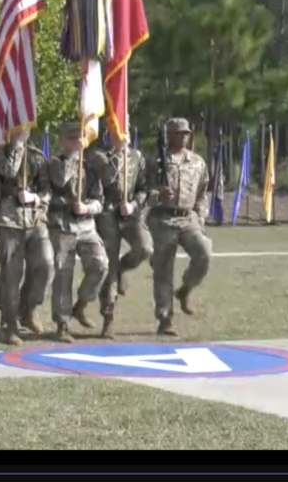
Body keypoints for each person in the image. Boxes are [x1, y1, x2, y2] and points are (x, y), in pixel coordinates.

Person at [0, 126, 54, 346]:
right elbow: (8, 172)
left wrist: (35, 198)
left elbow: (47, 190)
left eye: (25, 129)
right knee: (11, 275)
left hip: (35, 219)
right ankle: (9, 324)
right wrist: (16, 147)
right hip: (9, 220)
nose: (22, 131)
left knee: (45, 264)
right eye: (18, 128)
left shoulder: (37, 156)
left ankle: (29, 308)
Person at [147, 117, 211, 336]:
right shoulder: (155, 161)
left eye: (186, 133)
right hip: (162, 219)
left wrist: (200, 217)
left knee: (204, 252)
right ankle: (165, 318)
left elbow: (202, 193)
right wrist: (158, 196)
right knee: (163, 270)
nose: (184, 136)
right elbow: (143, 192)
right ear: (169, 135)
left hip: (188, 218)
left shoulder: (197, 162)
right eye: (179, 133)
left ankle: (186, 289)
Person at [46, 122, 109, 343]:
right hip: (62, 225)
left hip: (86, 225)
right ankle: (62, 324)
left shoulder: (90, 168)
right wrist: (74, 156)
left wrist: (88, 208)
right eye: (71, 138)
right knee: (64, 274)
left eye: (79, 138)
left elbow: (99, 200)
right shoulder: (54, 163)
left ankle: (81, 305)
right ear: (62, 141)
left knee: (100, 265)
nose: (76, 142)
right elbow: (61, 179)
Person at [89, 129, 153, 339]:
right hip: (107, 214)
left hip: (131, 215)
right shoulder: (99, 155)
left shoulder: (137, 157)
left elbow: (143, 188)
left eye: (125, 130)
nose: (123, 134)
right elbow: (107, 179)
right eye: (118, 130)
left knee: (145, 247)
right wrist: (118, 153)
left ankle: (123, 268)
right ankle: (108, 318)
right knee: (110, 266)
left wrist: (134, 204)